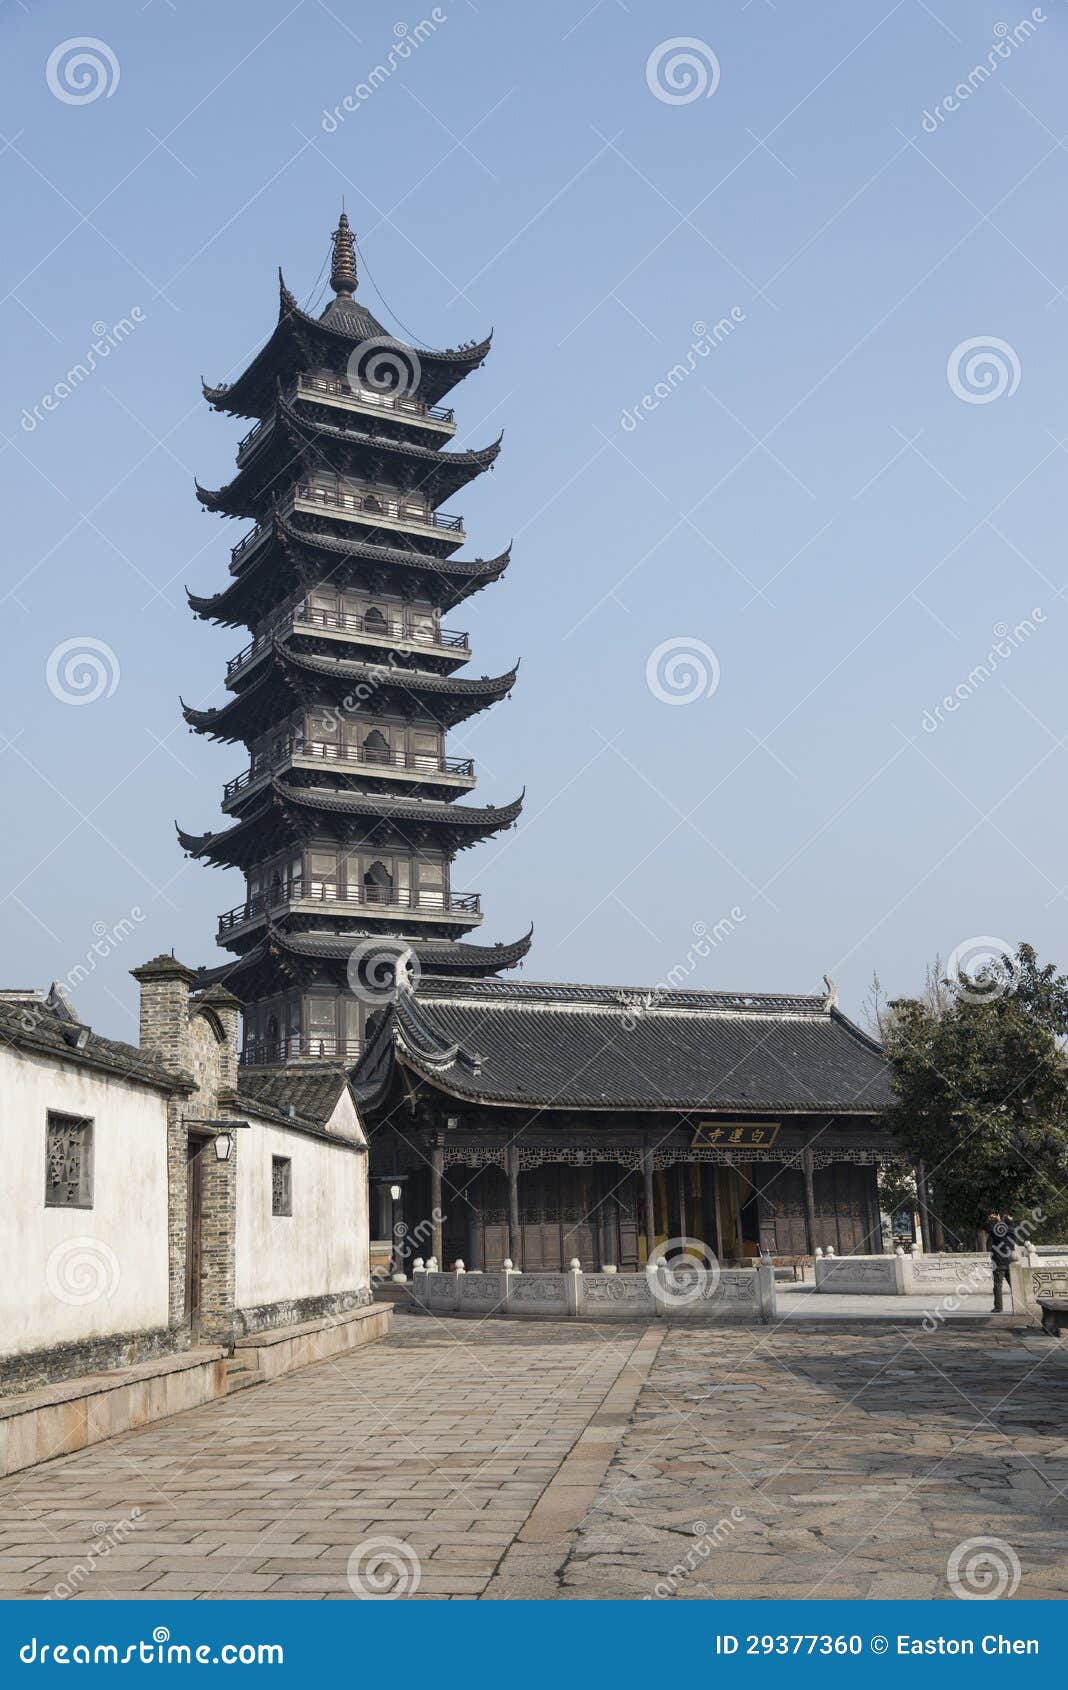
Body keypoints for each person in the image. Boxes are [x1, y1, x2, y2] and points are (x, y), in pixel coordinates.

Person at [986, 1211, 1018, 1313]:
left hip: (999, 1261)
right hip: (1009, 1261)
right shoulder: (1012, 1230)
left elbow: (991, 1230)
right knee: (1014, 1284)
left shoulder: (998, 1230)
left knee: (998, 1285)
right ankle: (1021, 1304)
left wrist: (997, 1220)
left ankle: (998, 1307)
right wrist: (1000, 1220)